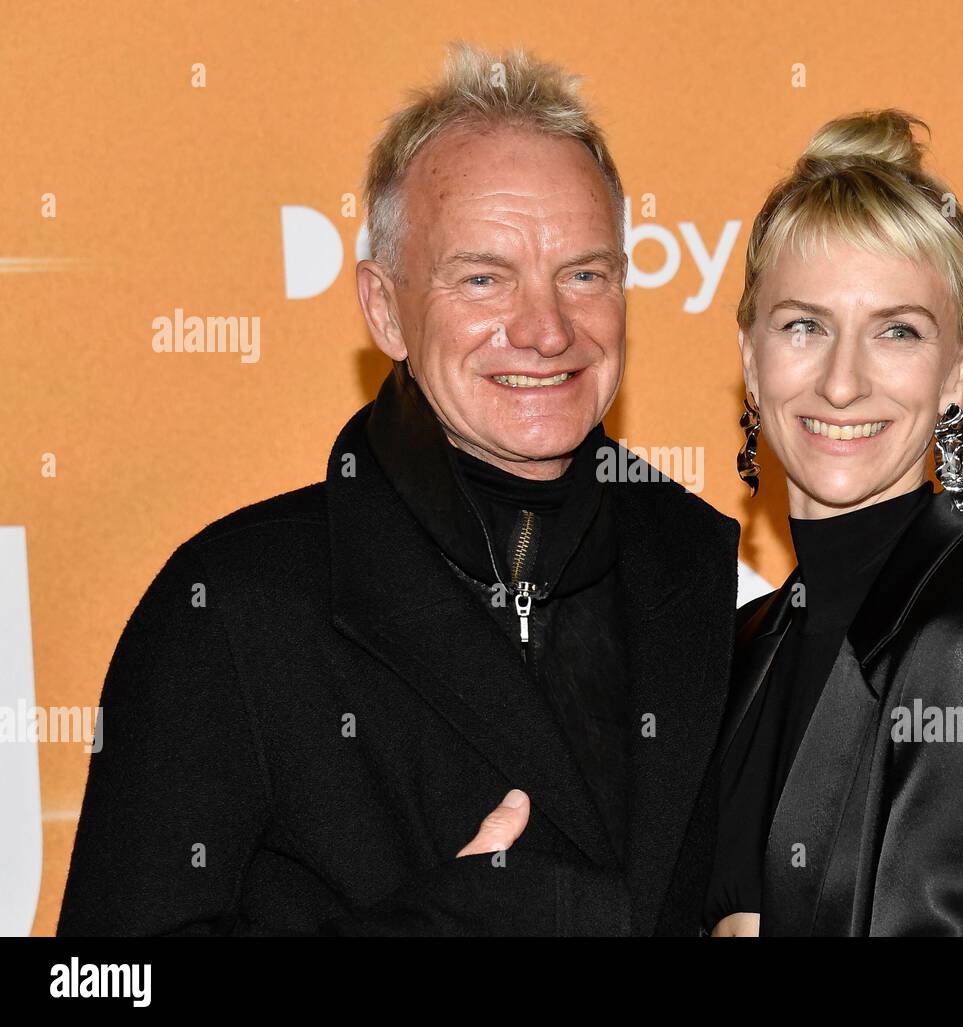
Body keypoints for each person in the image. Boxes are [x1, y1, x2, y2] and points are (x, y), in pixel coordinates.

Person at [57, 42, 739, 937]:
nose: (545, 329)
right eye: (483, 278)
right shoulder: (233, 603)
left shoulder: (705, 576)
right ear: (385, 309)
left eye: (584, 273)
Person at [706, 109, 963, 937]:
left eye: (897, 332)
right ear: (750, 357)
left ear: (960, 369)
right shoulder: (732, 649)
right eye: (804, 325)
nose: (842, 383)